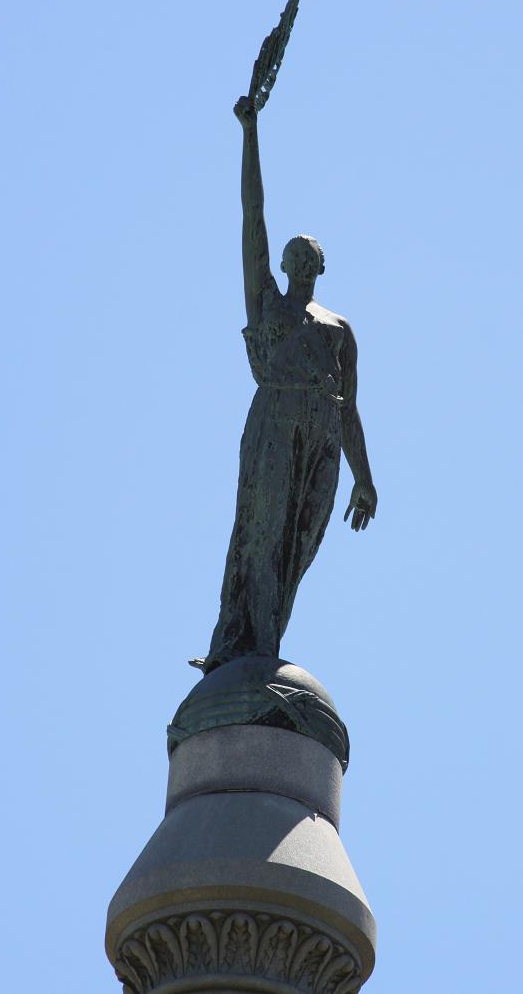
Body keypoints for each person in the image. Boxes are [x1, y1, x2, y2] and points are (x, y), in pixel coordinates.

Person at [192, 96, 377, 673]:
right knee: (264, 533)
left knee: (299, 544)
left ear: (319, 267)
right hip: (275, 419)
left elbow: (351, 410)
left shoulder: (340, 329)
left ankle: (264, 647)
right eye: (290, 254)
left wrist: (366, 479)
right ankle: (246, 647)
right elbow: (253, 217)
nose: (295, 259)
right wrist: (250, 133)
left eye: (306, 255)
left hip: (323, 432)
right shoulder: (266, 303)